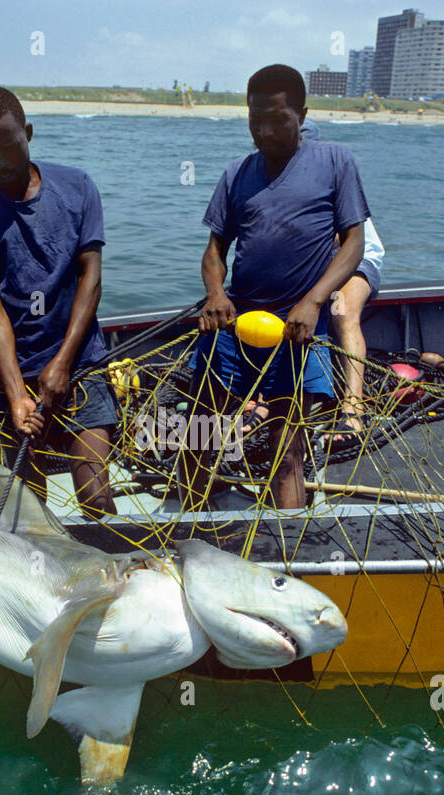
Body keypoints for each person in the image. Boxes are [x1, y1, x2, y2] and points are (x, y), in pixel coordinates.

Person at [184, 65, 370, 510]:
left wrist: (313, 301)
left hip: (296, 330)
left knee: (286, 453)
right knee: (198, 437)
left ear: (302, 114)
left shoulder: (335, 161)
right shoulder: (236, 173)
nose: (264, 131)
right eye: (255, 121)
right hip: (237, 326)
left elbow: (354, 243)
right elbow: (214, 252)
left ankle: (287, 557)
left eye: (277, 119)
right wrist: (216, 294)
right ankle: (190, 531)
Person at [0, 86, 116, 519]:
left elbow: (90, 279)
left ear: (28, 132)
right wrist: (14, 392)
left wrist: (62, 363)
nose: (0, 161)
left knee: (97, 501)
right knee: (28, 513)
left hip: (79, 362)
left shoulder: (77, 188)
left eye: (9, 146)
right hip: (10, 369)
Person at [240, 118, 386, 446]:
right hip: (309, 264)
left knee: (342, 311)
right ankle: (262, 396)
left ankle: (353, 409)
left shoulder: (330, 176)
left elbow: (340, 239)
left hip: (355, 257)